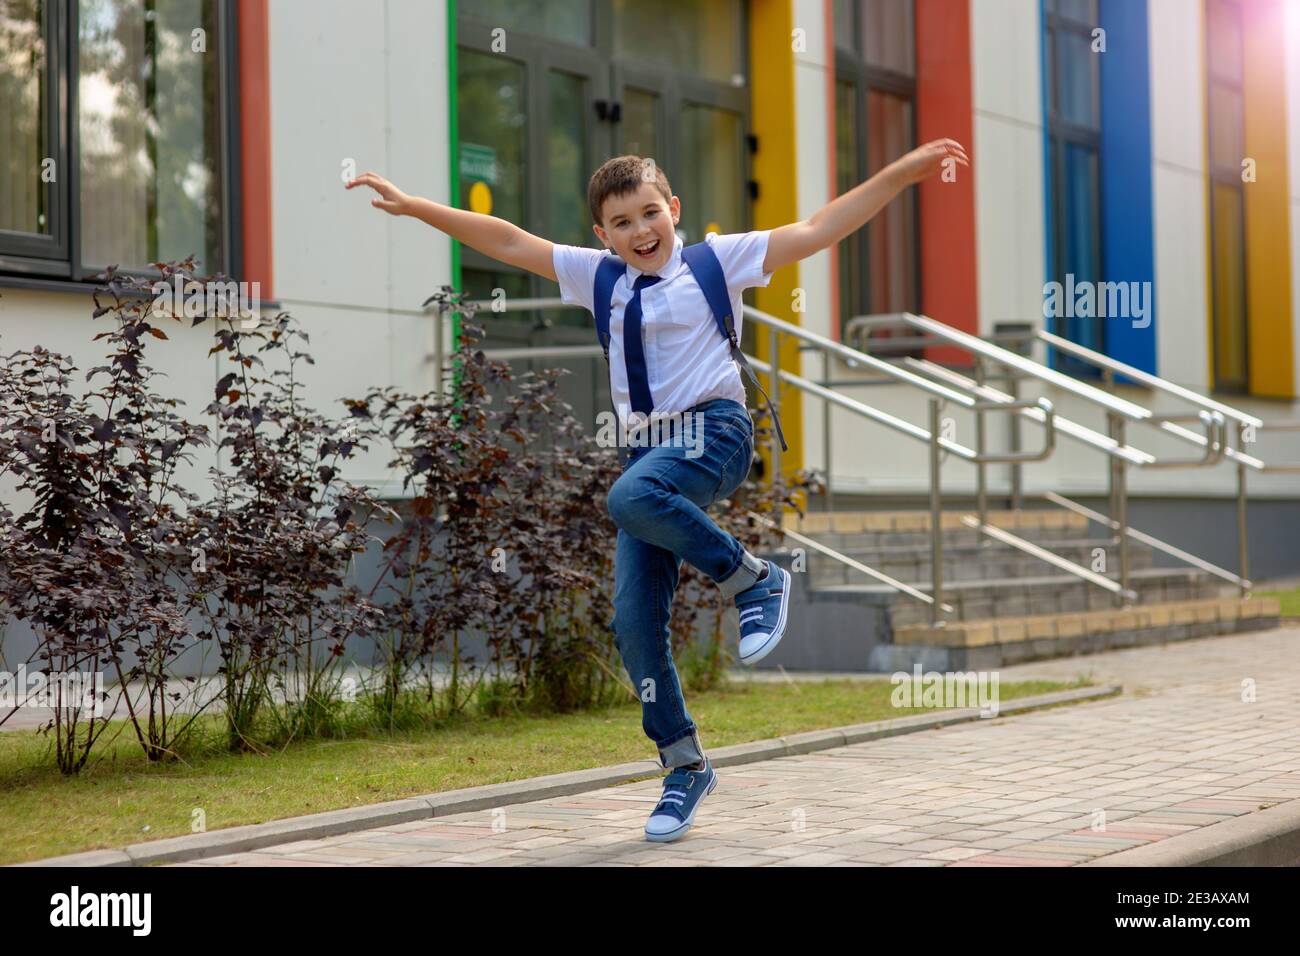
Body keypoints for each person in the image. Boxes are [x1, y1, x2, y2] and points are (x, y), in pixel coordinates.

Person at [347, 137, 968, 842]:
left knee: (628, 498)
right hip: (651, 460)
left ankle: (754, 581)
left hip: (718, 431)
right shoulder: (596, 278)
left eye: (650, 214)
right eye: (623, 223)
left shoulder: (716, 260)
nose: (641, 232)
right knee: (635, 622)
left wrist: (899, 170)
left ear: (673, 209)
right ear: (602, 235)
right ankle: (683, 765)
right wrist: (414, 207)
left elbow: (817, 228)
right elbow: (508, 240)